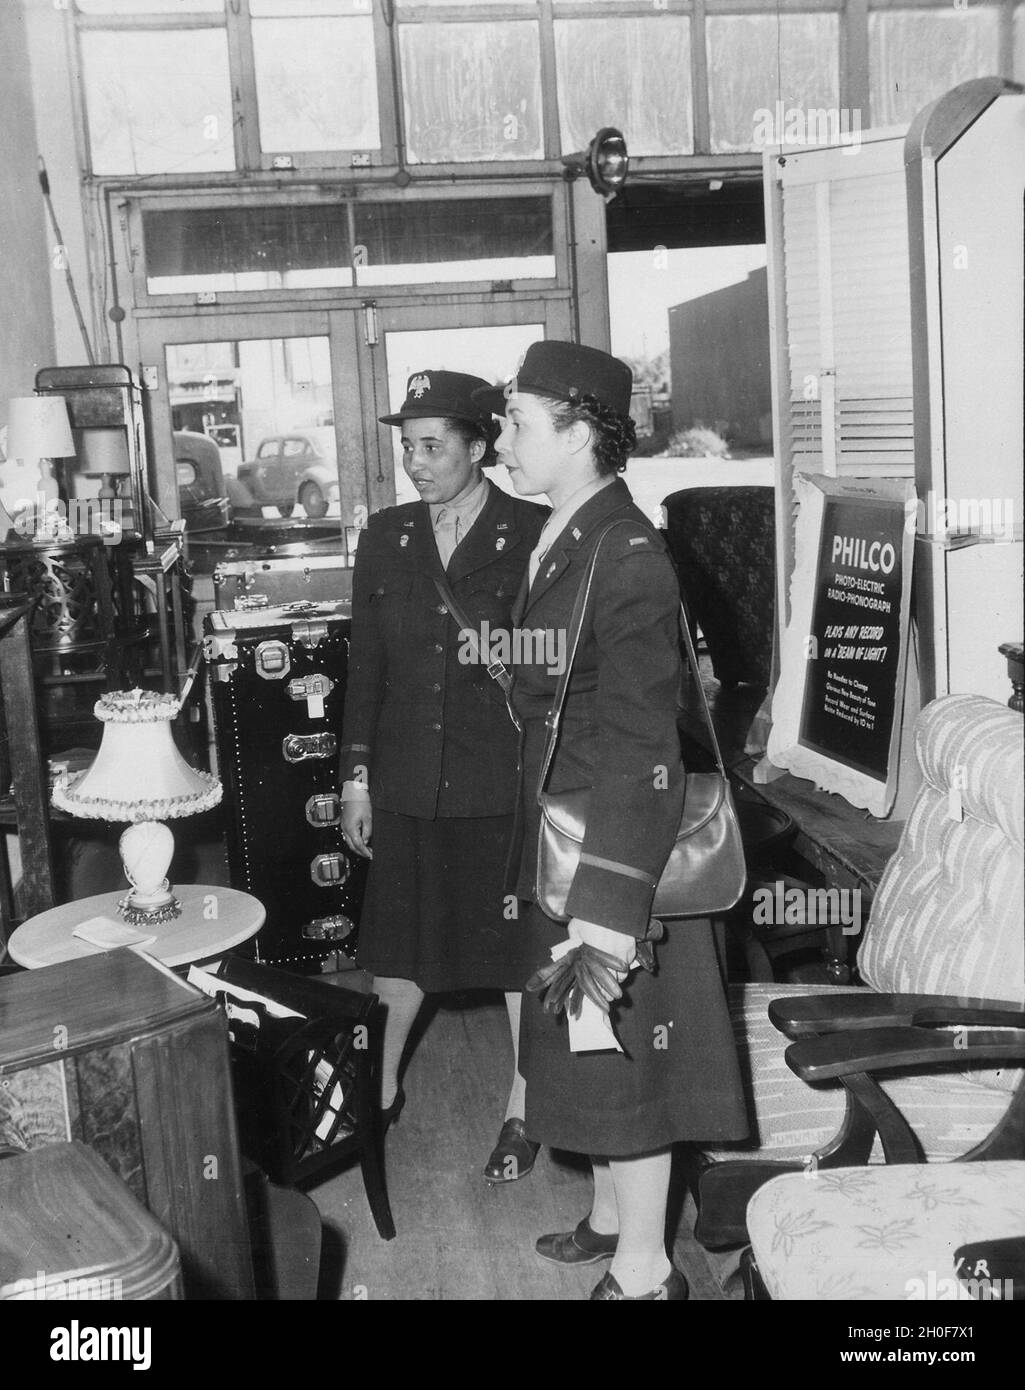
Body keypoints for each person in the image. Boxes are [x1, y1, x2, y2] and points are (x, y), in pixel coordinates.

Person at [473, 341, 749, 1299]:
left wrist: (609, 904)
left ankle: (645, 1273)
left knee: (624, 1063)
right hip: (567, 825)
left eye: (517, 422)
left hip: (611, 851)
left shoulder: (626, 554)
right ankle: (605, 1218)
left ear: (581, 432)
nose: (499, 439)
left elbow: (643, 747)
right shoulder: (566, 529)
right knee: (583, 1051)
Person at [338, 370, 548, 1182]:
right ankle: (377, 1094)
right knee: (396, 955)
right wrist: (356, 777)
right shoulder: (386, 536)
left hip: (498, 781)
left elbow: (558, 665)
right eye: (406, 447)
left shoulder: (534, 530)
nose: (415, 462)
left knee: (514, 962)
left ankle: (523, 1110)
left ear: (479, 446)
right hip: (406, 781)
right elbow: (368, 665)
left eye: (432, 446)